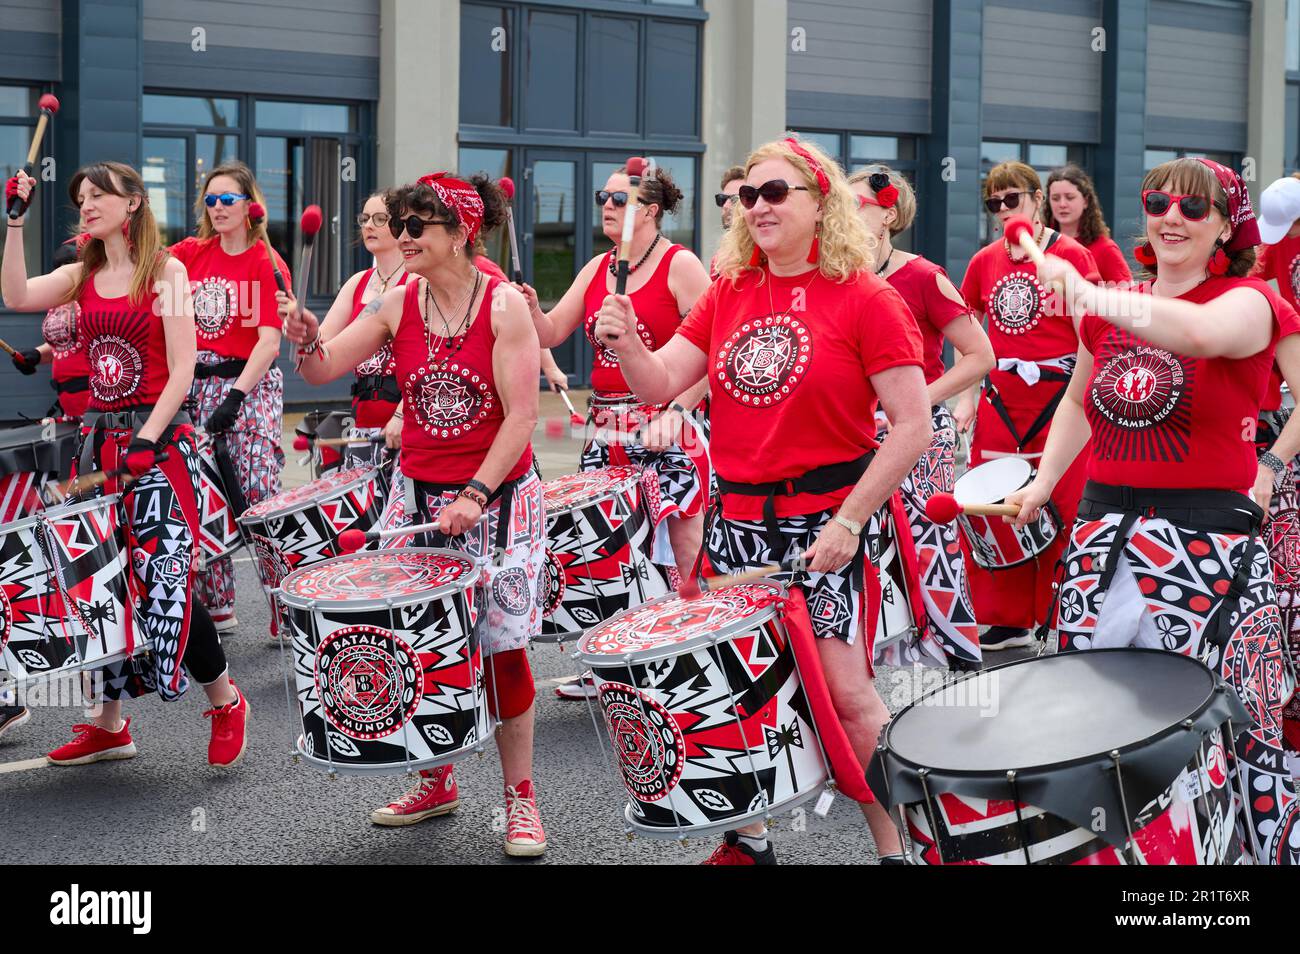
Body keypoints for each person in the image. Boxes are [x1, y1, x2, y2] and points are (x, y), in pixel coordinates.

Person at [597, 137, 932, 865]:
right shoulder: (730, 290)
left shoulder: (867, 298)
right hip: (738, 523)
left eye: (775, 193)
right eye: (748, 196)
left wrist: (851, 520)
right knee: (731, 684)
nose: (757, 207)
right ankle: (749, 841)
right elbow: (660, 386)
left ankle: (904, 849)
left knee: (847, 697)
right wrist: (626, 346)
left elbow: (913, 428)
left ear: (822, 202)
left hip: (827, 523)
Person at [1009, 157, 1300, 864]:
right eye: (1158, 201)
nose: (1172, 216)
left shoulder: (1253, 299)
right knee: (1097, 730)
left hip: (1207, 549)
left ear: (1228, 226)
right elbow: (1077, 401)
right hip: (1102, 539)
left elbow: (1198, 335)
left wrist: (1271, 463)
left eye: (1194, 209)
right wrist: (1044, 483)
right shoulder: (1115, 305)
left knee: (1217, 732)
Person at [279, 171, 548, 858]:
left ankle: (520, 799)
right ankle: (436, 780)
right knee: (424, 643)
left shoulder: (505, 306)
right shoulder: (399, 302)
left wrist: (476, 495)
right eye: (397, 225)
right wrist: (307, 339)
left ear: (459, 232)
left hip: (498, 496)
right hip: (419, 492)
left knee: (501, 651)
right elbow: (322, 369)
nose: (402, 236)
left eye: (416, 225)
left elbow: (522, 417)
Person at [2, 162, 249, 767]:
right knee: (99, 581)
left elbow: (184, 367)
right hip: (100, 448)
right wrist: (14, 221)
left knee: (165, 581)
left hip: (159, 447)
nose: (85, 206)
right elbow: (14, 296)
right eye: (79, 198)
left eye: (97, 196)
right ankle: (110, 723)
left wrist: (148, 438)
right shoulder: (82, 274)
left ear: (133, 203)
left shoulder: (166, 270)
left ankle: (224, 700)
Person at [519, 164, 712, 700]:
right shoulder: (599, 266)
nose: (606, 204)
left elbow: (718, 352)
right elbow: (552, 331)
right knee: (608, 549)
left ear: (649, 211)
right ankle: (612, 659)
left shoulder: (682, 265)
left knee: (681, 540)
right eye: (603, 196)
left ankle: (686, 655)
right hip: (606, 424)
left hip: (669, 421)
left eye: (619, 199)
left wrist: (679, 409)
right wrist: (531, 307)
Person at [848, 166, 993, 670]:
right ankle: (878, 665)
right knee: (862, 542)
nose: (844, 214)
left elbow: (979, 356)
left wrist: (917, 403)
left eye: (857, 204)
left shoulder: (924, 276)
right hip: (854, 435)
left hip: (919, 436)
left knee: (928, 543)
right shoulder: (835, 277)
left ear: (888, 214)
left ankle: (951, 663)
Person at [956, 160, 1100, 650]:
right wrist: (967, 396)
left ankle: (1055, 611)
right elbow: (967, 331)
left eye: (1011, 199)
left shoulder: (1074, 257)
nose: (1002, 211)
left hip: (1060, 398)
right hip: (1002, 399)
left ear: (1037, 200)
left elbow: (1094, 332)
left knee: (1059, 501)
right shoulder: (983, 261)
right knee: (994, 506)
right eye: (993, 203)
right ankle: (1007, 616)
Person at [169, 160, 288, 635]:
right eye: (210, 200)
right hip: (195, 386)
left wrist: (235, 398)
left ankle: (285, 596)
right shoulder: (189, 254)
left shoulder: (265, 260)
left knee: (257, 495)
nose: (217, 208)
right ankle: (218, 605)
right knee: (201, 499)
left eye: (227, 200)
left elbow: (269, 341)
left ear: (249, 205)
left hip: (248, 387)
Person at [12, 238, 91, 419]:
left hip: (95, 403)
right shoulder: (57, 300)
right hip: (68, 404)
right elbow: (70, 341)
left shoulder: (92, 297)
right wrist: (37, 354)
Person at [1043, 164, 1133, 285]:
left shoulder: (1105, 248)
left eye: (1070, 197)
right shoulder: (1039, 243)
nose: (1062, 204)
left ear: (1085, 201)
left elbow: (1127, 296)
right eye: (1055, 198)